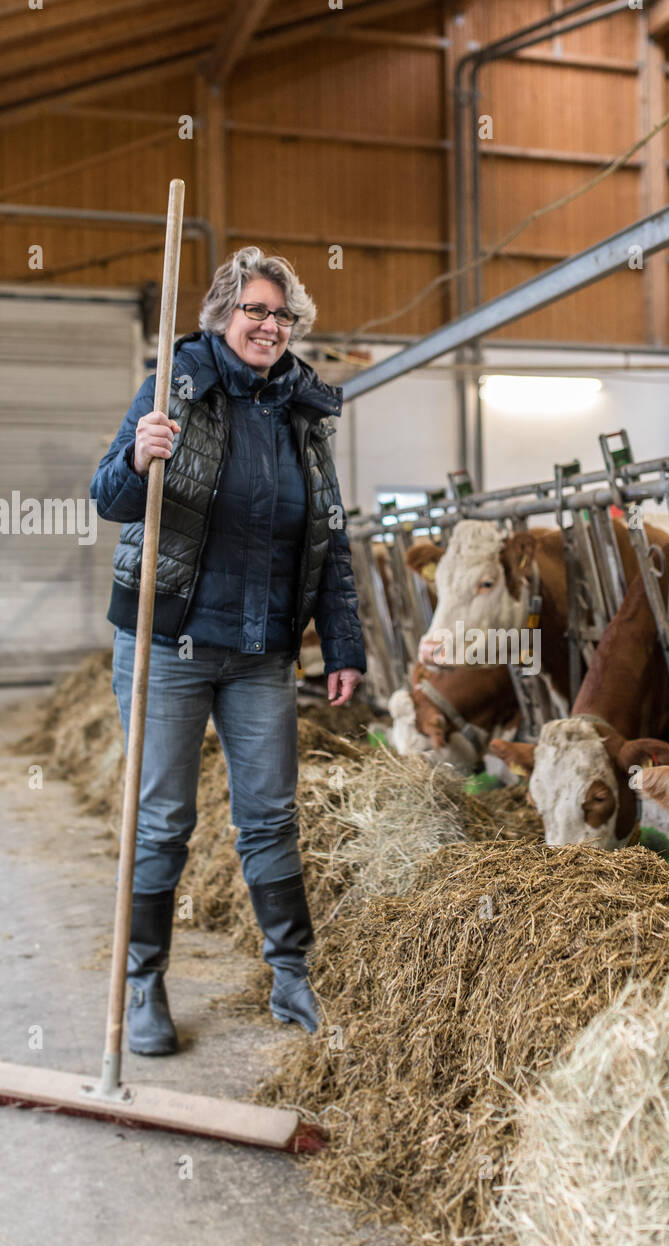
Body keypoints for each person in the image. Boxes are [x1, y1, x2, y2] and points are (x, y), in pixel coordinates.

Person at [90, 246, 365, 1054]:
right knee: (163, 820)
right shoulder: (174, 388)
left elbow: (332, 541)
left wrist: (341, 644)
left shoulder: (305, 416)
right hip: (168, 643)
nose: (269, 326)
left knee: (271, 816)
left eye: (282, 315)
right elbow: (107, 497)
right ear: (221, 315)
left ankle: (291, 978)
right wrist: (140, 454)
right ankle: (144, 985)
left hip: (261, 652)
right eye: (255, 310)